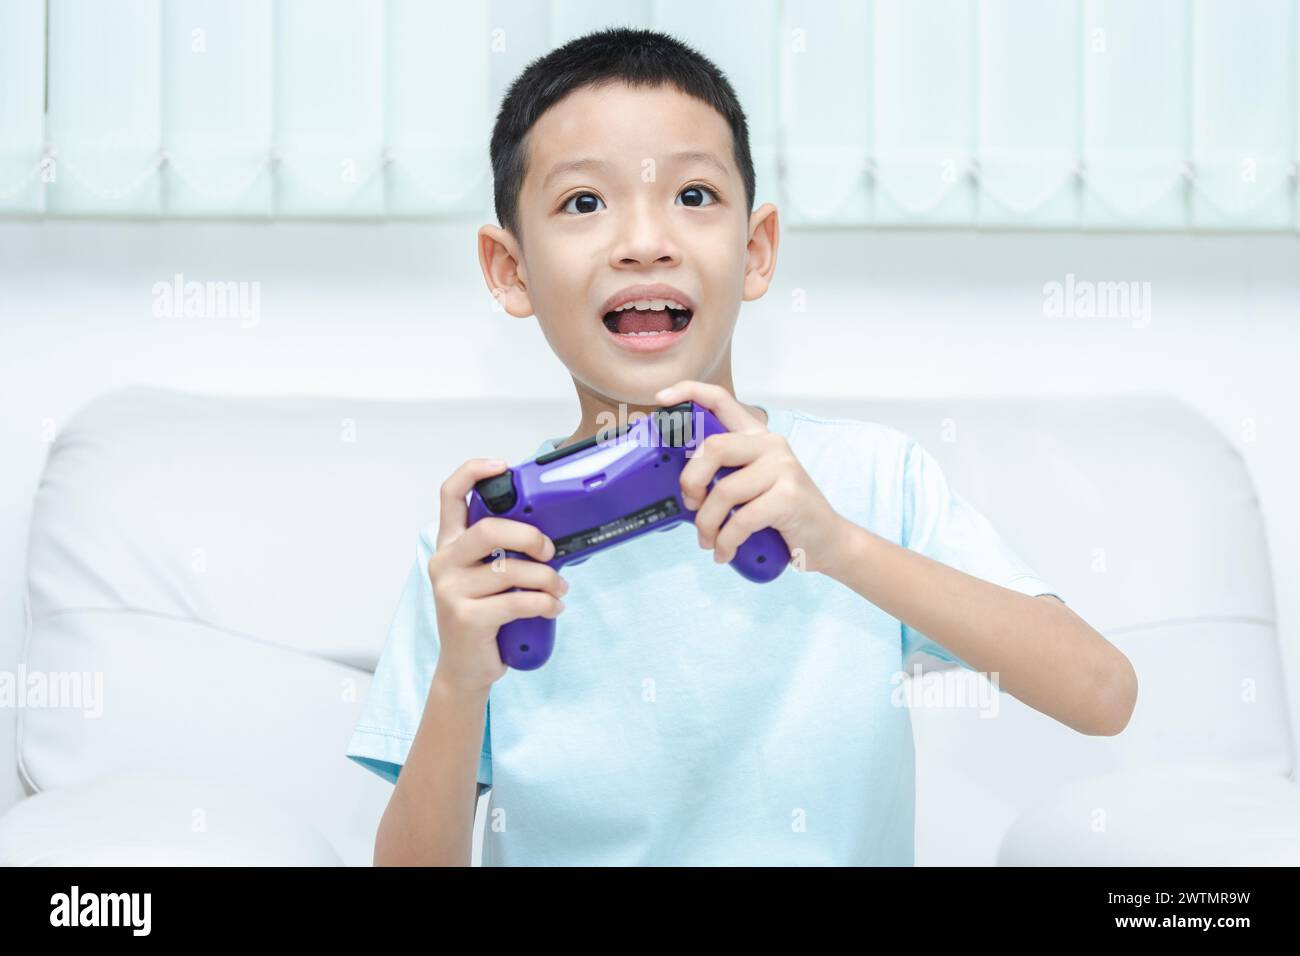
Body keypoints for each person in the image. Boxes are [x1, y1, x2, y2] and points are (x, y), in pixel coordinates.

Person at [346, 26, 1137, 866]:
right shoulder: (479, 555)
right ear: (510, 270)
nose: (644, 240)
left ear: (756, 251)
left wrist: (840, 545)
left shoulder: (866, 481)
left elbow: (1102, 694)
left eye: (692, 196)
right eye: (585, 202)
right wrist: (460, 683)